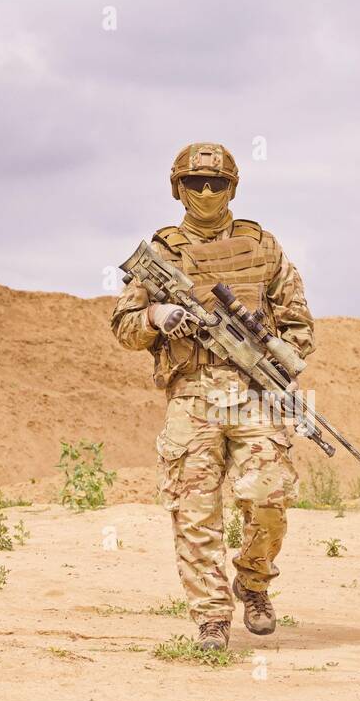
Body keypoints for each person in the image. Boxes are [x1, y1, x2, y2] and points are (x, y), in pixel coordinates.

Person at [110, 142, 314, 650]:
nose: (206, 192)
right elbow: (124, 326)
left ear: (233, 188)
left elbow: (299, 323)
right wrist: (157, 318)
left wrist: (273, 354)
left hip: (253, 395)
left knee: (269, 497)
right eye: (195, 183)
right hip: (193, 396)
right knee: (194, 511)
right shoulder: (160, 253)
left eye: (217, 183)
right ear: (177, 188)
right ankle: (211, 618)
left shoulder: (263, 246)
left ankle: (254, 581)